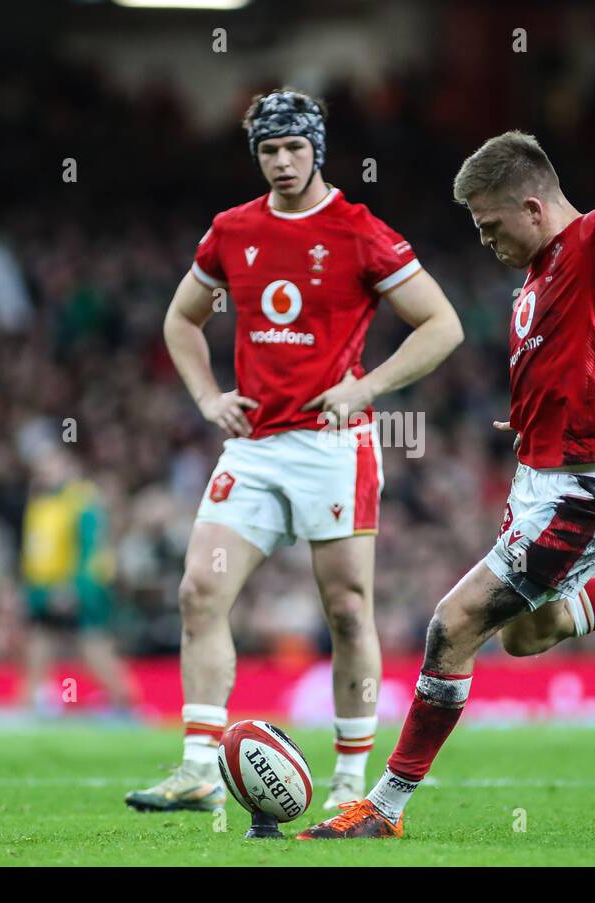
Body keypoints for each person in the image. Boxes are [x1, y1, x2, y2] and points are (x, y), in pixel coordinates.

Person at [299, 50, 595, 839]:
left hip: (585, 488)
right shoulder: (537, 276)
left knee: (452, 625)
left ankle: (385, 808)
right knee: (528, 632)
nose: (483, 240)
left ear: (534, 206)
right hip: (542, 480)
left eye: (489, 224)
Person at [125, 90, 464, 813]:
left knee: (345, 609)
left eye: (293, 149)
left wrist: (366, 388)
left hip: (331, 447)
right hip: (254, 448)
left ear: (318, 149)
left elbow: (441, 324)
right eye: (268, 151)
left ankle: (348, 778)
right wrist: (208, 398)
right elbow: (182, 320)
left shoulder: (358, 231)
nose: (281, 162)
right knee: (198, 592)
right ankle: (197, 769)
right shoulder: (231, 230)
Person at [21, 446, 134, 715]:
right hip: (45, 587)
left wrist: (74, 586)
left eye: (51, 466)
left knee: (91, 642)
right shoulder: (41, 502)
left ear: (68, 468)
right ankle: (28, 701)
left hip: (78, 586)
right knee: (41, 640)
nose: (44, 473)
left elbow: (88, 547)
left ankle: (125, 699)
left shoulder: (81, 500)